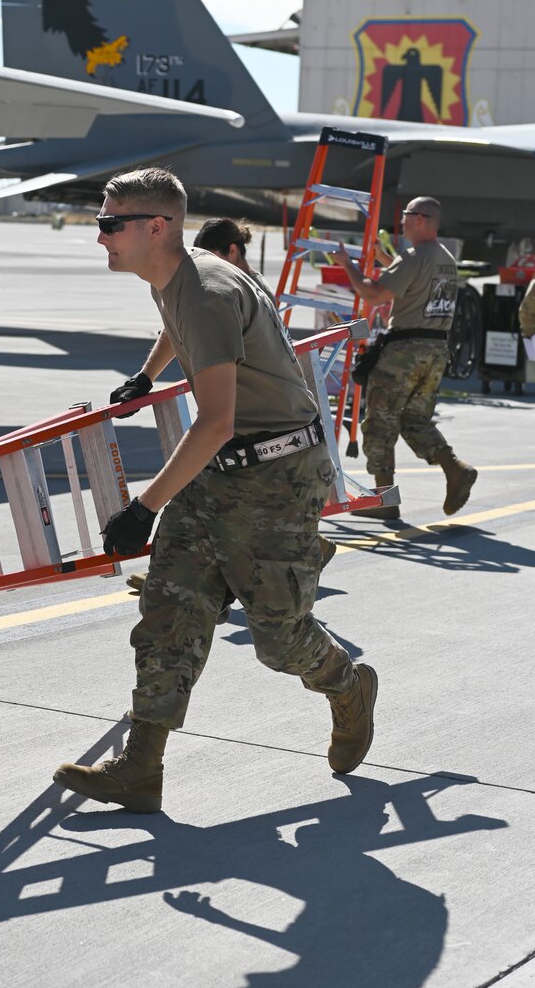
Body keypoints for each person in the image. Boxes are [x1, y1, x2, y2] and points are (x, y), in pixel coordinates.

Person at [52, 168, 377, 813]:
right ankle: (139, 770)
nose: (100, 238)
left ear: (156, 226)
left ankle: (348, 688)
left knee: (279, 639)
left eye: (110, 225)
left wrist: (143, 507)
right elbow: (182, 330)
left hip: (276, 476)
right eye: (99, 223)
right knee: (172, 610)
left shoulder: (202, 289)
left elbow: (216, 419)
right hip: (221, 470)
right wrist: (147, 376)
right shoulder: (173, 275)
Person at [120, 216, 336, 604]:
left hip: (261, 432)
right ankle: (181, 580)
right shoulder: (199, 287)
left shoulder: (239, 289)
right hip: (234, 427)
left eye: (214, 257)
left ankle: (210, 585)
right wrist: (145, 377)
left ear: (233, 252)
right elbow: (175, 328)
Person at [333, 196, 477, 521]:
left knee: (380, 423)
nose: (402, 221)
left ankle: (385, 501)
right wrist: (386, 259)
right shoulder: (445, 258)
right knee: (415, 420)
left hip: (404, 353)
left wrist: (347, 264)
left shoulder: (413, 256)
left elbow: (373, 295)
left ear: (422, 219)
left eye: (407, 215)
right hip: (435, 351)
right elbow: (416, 282)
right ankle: (455, 469)